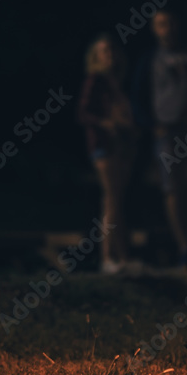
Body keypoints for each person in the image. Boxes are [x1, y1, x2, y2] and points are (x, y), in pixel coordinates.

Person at [145, 11, 187, 266]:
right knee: (171, 189)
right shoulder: (149, 59)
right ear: (154, 29)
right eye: (160, 25)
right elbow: (139, 92)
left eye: (169, 23)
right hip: (164, 131)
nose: (166, 29)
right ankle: (183, 247)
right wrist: (149, 124)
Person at [78, 34, 136, 274]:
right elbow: (82, 113)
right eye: (103, 51)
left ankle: (121, 257)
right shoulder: (95, 80)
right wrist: (105, 123)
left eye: (111, 51)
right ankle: (107, 258)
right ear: (95, 56)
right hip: (102, 145)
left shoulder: (115, 82)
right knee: (111, 198)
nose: (109, 55)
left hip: (118, 145)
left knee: (117, 199)